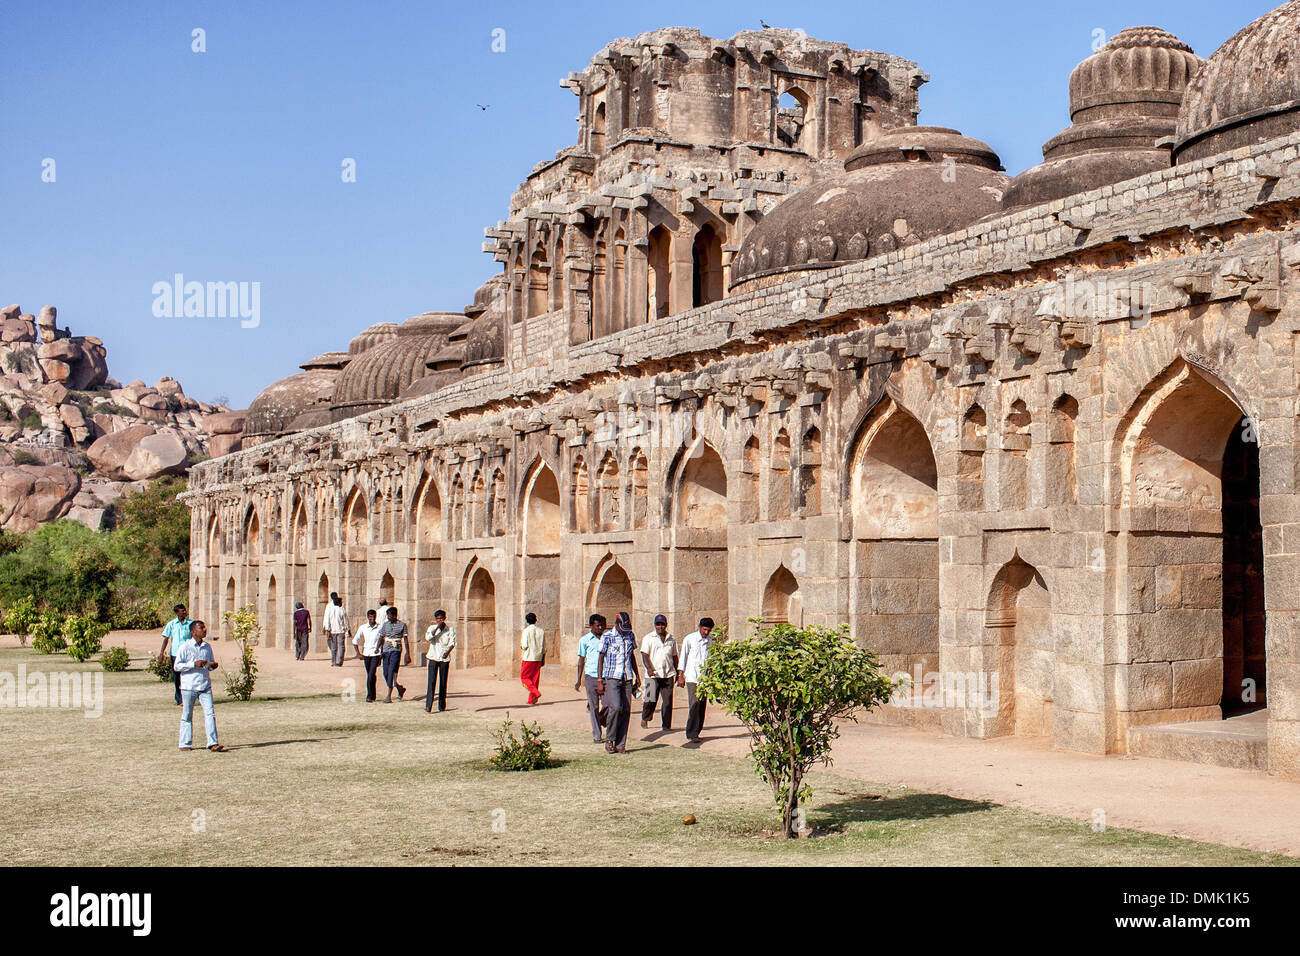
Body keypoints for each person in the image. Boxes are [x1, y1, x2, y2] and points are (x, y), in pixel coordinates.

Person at [174, 620, 224, 752]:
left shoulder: (207, 647)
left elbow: (209, 665)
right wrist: (193, 664)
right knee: (187, 715)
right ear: (193, 632)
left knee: (210, 714)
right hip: (189, 686)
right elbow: (177, 666)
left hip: (205, 686)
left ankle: (213, 743)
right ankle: (185, 743)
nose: (205, 629)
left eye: (204, 627)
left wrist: (212, 666)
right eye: (201, 628)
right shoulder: (184, 647)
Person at [596, 611, 641, 754]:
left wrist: (637, 675)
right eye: (622, 627)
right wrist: (599, 679)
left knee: (626, 710)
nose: (624, 630)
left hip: (627, 676)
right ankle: (610, 738)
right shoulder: (607, 636)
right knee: (615, 707)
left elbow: (632, 655)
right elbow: (601, 658)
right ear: (616, 624)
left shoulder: (630, 635)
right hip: (612, 676)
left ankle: (621, 744)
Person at [677, 617, 714, 742]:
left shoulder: (710, 641)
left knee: (702, 705)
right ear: (699, 627)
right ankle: (691, 733)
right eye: (704, 629)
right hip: (692, 677)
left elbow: (712, 659)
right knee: (694, 703)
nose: (706, 632)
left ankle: (697, 731)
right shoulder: (690, 639)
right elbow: (683, 657)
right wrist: (680, 675)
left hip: (705, 678)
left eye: (709, 630)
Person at [639, 614, 678, 730]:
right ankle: (645, 718)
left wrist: (678, 672)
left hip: (668, 674)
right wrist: (649, 668)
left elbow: (675, 656)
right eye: (658, 624)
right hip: (653, 675)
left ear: (666, 625)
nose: (660, 627)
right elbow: (644, 655)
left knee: (667, 701)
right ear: (654, 625)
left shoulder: (671, 639)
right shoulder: (648, 638)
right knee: (650, 699)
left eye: (662, 624)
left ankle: (666, 725)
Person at [574, 614, 608, 744]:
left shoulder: (608, 638)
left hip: (606, 676)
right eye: (597, 625)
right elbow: (581, 660)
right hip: (591, 677)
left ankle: (601, 720)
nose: (600, 628)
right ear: (591, 626)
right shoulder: (585, 640)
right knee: (594, 706)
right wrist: (579, 679)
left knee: (608, 704)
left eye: (602, 625)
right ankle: (597, 735)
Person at [158, 604, 193, 706]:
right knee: (177, 677)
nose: (184, 612)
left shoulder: (191, 624)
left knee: (187, 676)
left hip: (188, 654)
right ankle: (179, 698)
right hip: (175, 654)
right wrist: (161, 653)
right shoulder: (172, 624)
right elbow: (166, 639)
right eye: (182, 611)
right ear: (177, 613)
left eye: (185, 610)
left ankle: (187, 698)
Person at [425, 609, 456, 713]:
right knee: (431, 681)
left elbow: (452, 643)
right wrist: (437, 627)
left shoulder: (450, 630)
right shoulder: (432, 628)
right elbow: (429, 638)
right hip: (433, 657)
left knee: (443, 682)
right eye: (438, 619)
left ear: (444, 618)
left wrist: (447, 652)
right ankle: (429, 705)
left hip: (444, 658)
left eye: (441, 619)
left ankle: (442, 705)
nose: (439, 620)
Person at [379, 605, 411, 703]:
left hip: (396, 650)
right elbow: (381, 637)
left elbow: (405, 639)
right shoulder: (385, 625)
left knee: (392, 671)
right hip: (386, 650)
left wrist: (408, 654)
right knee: (385, 673)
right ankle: (399, 688)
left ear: (395, 616)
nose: (389, 617)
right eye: (387, 616)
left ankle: (388, 695)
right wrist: (379, 650)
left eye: (390, 616)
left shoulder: (402, 625)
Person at [353, 609, 383, 703]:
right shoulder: (363, 627)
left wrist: (381, 652)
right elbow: (355, 640)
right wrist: (358, 653)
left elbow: (382, 639)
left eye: (374, 616)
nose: (372, 618)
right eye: (370, 617)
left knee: (371, 674)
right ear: (368, 617)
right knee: (370, 675)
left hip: (376, 654)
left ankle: (369, 695)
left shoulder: (380, 627)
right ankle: (373, 694)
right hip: (366, 654)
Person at [519, 612, 545, 705]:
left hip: (528, 657)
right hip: (538, 658)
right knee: (534, 679)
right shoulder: (541, 631)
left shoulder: (526, 631)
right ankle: (532, 699)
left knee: (524, 678)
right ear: (536, 620)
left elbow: (524, 646)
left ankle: (535, 693)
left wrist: (522, 647)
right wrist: (543, 659)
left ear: (527, 621)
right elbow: (544, 648)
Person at [323, 592, 350, 667]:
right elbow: (345, 619)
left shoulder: (329, 606)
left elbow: (326, 618)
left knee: (334, 647)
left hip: (332, 630)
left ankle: (334, 661)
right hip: (340, 630)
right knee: (341, 646)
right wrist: (348, 629)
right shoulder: (341, 607)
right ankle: (339, 661)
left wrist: (327, 628)